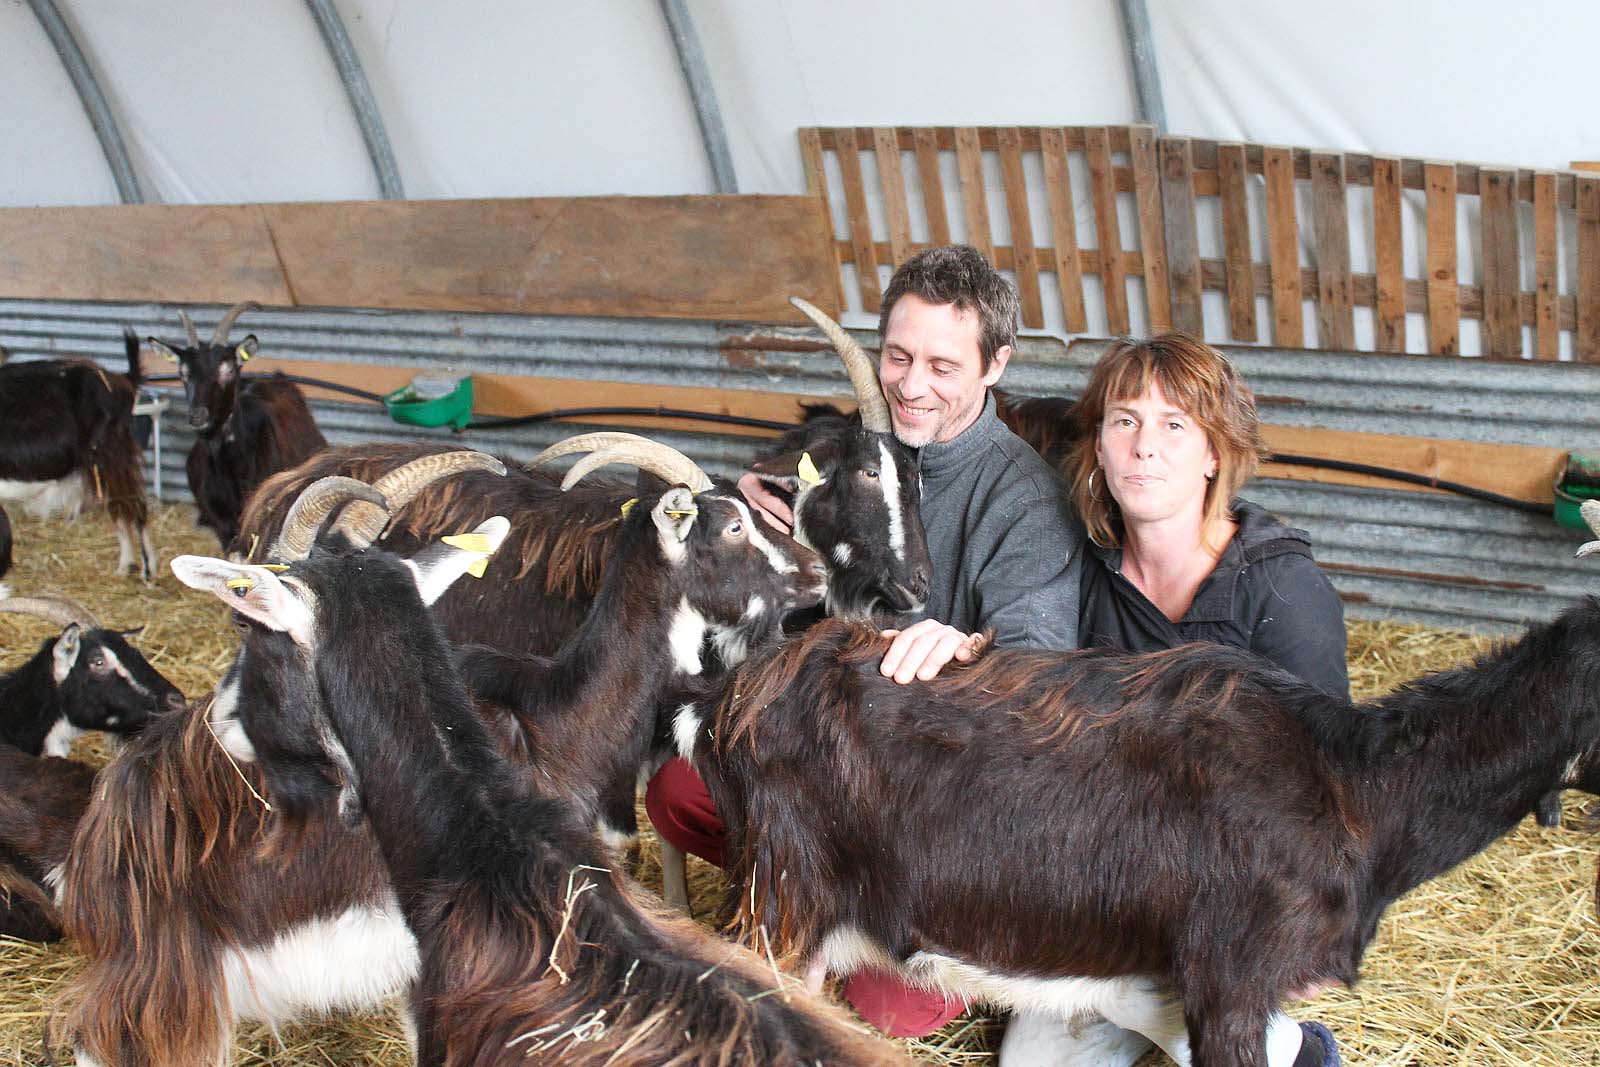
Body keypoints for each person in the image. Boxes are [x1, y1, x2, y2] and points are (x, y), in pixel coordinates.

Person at [646, 243, 1083, 1036]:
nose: (913, 386)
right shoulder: (839, 453)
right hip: (830, 764)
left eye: (944, 366)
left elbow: (1040, 678)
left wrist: (967, 648)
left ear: (995, 365)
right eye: (898, 356)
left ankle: (853, 915)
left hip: (935, 798)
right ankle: (810, 899)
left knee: (889, 1007)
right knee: (679, 793)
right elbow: (775, 614)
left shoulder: (1025, 499)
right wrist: (762, 531)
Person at [999, 332, 1347, 1067]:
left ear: (1215, 452)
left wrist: (1316, 923)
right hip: (1112, 888)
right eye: (1124, 421)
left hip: (1234, 891)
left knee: (1210, 1019)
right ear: (1097, 445)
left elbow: (1332, 783)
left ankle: (1296, 1051)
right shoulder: (1080, 577)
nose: (1144, 447)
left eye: (1174, 425)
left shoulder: (1281, 592)